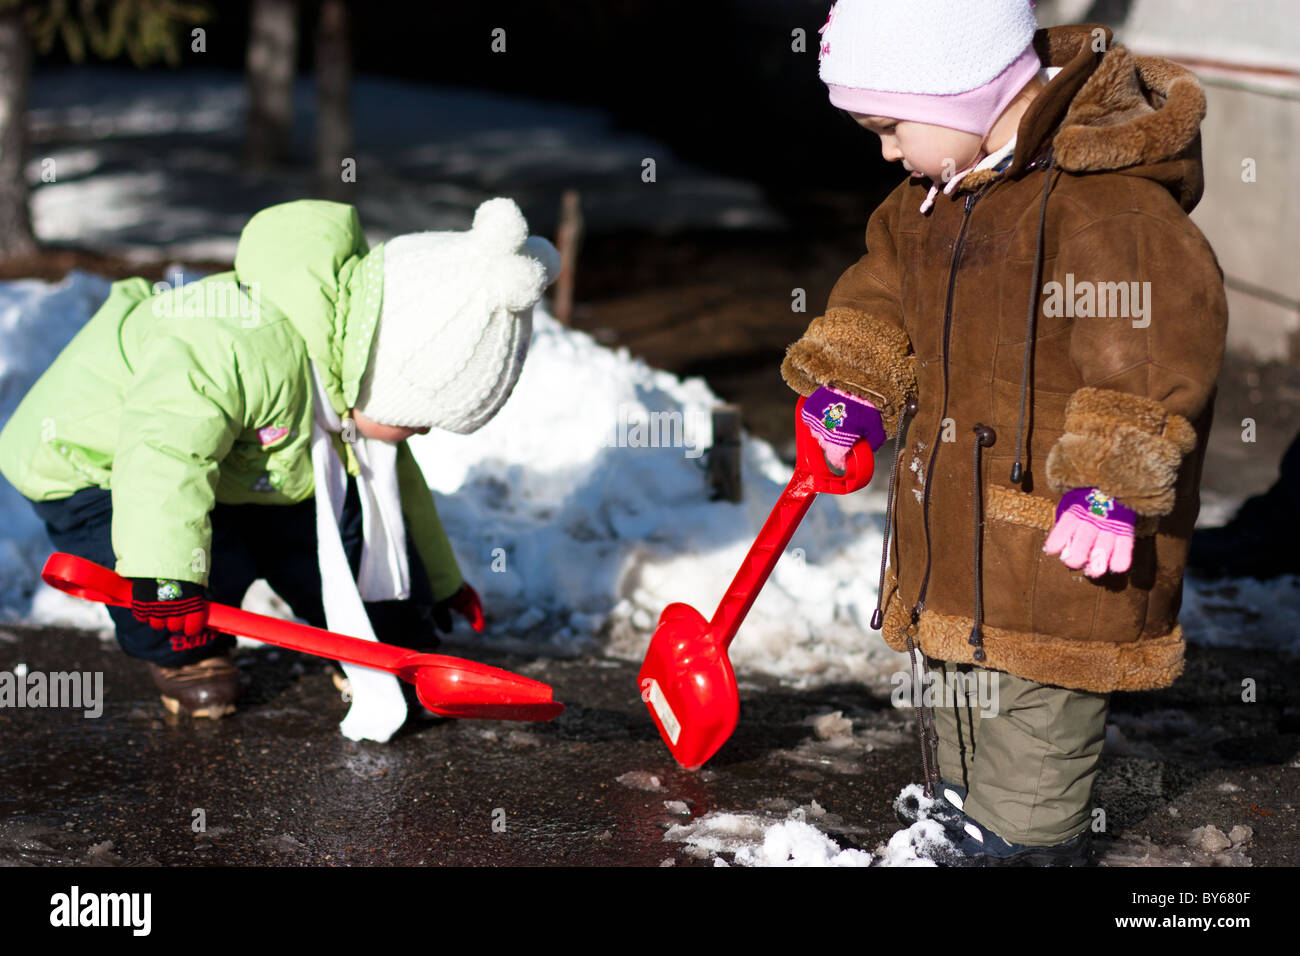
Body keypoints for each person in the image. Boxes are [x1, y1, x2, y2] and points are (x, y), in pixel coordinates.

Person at [787, 1, 1228, 864]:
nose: (884, 150)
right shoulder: (928, 203)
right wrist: (852, 385)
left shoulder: (1108, 209)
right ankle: (959, 808)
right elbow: (880, 298)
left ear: (959, 92)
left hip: (1068, 527)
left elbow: (1151, 347)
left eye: (888, 125)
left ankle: (1020, 842)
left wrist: (1111, 476)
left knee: (1038, 692)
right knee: (954, 678)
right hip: (955, 512)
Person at [0, 197, 560, 728]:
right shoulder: (233, 344)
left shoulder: (350, 375)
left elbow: (395, 492)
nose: (422, 430)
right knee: (194, 560)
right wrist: (166, 573)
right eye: (423, 416)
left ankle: (370, 640)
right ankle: (187, 657)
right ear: (391, 377)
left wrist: (437, 581)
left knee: (326, 527)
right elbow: (164, 455)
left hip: (245, 463)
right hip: (95, 462)